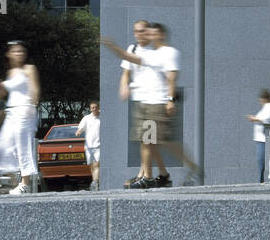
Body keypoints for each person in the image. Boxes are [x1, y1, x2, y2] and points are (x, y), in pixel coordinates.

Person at [102, 22, 201, 187]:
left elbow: (172, 77)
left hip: (158, 102)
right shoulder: (148, 53)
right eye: (141, 32)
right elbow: (129, 60)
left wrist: (170, 99)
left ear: (160, 35)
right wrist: (113, 48)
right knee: (149, 140)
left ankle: (187, 169)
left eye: (149, 32)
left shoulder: (167, 52)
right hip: (144, 101)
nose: (146, 35)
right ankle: (155, 176)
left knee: (162, 141)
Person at [117, 20, 168, 188]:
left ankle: (147, 176)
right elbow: (126, 73)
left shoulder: (156, 50)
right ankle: (159, 174)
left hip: (153, 100)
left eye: (143, 31)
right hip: (140, 100)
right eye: (136, 31)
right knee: (147, 141)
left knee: (147, 140)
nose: (139, 34)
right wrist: (124, 86)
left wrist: (169, 99)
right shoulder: (132, 50)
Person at [0, 41, 41, 195]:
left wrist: (33, 104)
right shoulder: (10, 72)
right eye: (16, 51)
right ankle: (16, 181)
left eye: (22, 51)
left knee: (23, 146)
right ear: (9, 54)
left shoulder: (29, 69)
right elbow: (4, 93)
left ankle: (25, 183)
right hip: (11, 111)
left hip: (24, 110)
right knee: (3, 145)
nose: (19, 54)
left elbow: (35, 88)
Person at [247, 88, 270, 183]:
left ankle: (261, 180)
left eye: (261, 99)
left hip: (263, 139)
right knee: (260, 160)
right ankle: (260, 179)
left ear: (265, 98)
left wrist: (254, 118)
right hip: (260, 138)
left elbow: (265, 119)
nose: (260, 101)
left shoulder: (269, 106)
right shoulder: (266, 107)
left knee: (261, 160)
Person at [76, 100, 101, 190]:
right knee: (92, 165)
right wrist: (79, 131)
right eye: (92, 108)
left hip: (99, 145)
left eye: (95, 107)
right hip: (88, 146)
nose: (94, 109)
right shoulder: (86, 118)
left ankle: (95, 182)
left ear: (99, 108)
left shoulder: (102, 118)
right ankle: (94, 182)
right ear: (90, 109)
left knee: (97, 164)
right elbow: (80, 127)